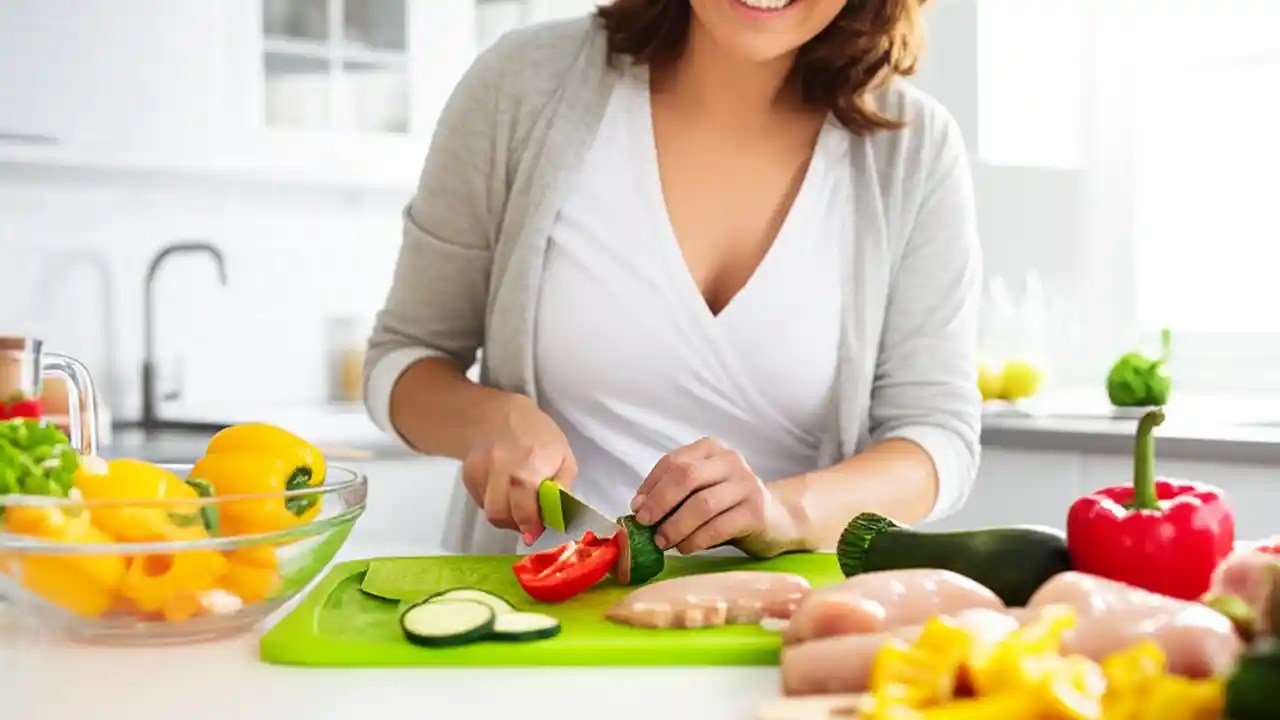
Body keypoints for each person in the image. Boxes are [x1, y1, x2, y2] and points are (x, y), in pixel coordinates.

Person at [364, 0, 982, 557]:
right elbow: (403, 359)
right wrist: (486, 419)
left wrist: (785, 512)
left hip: (783, 635)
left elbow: (938, 440)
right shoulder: (523, 87)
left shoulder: (914, 151)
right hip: (532, 625)